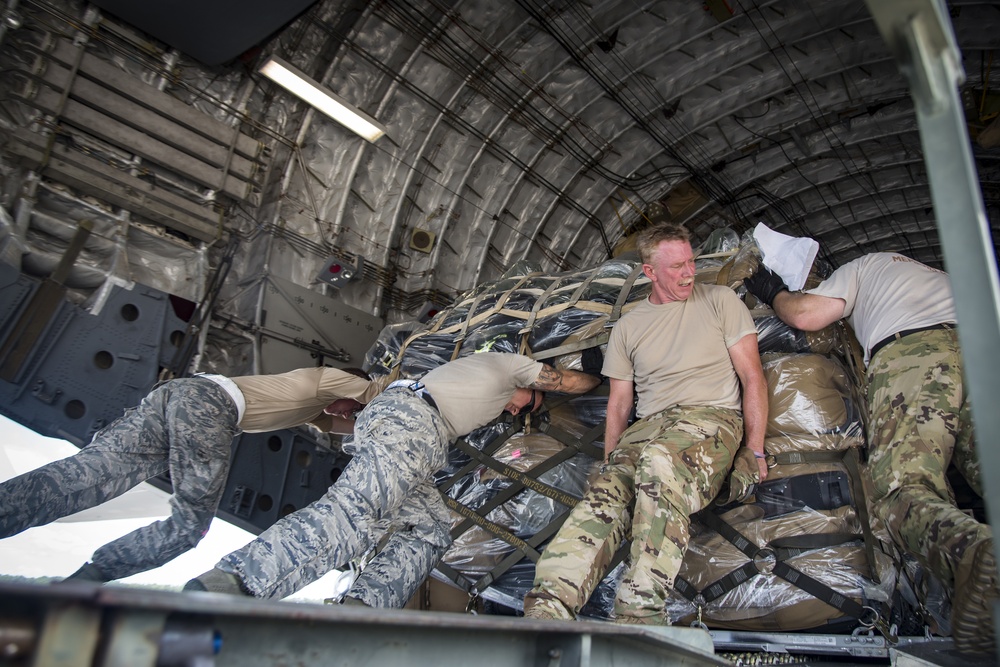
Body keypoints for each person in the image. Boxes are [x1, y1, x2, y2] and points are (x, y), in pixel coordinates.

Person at [185, 352, 601, 600]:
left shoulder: (464, 374)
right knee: (356, 511)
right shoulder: (510, 365)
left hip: (408, 428)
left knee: (432, 530)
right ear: (527, 377)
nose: (518, 411)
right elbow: (569, 381)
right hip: (413, 423)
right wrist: (609, 374)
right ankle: (237, 580)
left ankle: (364, 606)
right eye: (529, 403)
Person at [743, 251, 996, 656]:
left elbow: (805, 315)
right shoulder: (939, 279)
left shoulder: (865, 266)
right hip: (985, 354)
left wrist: (772, 290)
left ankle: (973, 551)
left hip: (917, 352)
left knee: (899, 491)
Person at [523, 223, 767, 624]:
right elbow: (619, 403)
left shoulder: (721, 301)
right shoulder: (629, 327)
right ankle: (547, 612)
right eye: (676, 267)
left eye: (690, 261)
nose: (688, 273)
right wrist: (611, 461)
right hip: (647, 427)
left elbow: (753, 376)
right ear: (650, 272)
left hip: (708, 418)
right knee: (604, 497)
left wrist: (754, 449)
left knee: (659, 463)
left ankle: (639, 614)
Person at [0, 366, 380, 583]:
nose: (351, 413)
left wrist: (359, 421)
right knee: (189, 526)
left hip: (176, 396)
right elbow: (381, 394)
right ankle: (90, 579)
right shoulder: (325, 380)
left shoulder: (315, 409)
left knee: (89, 476)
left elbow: (356, 430)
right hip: (209, 408)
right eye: (353, 407)